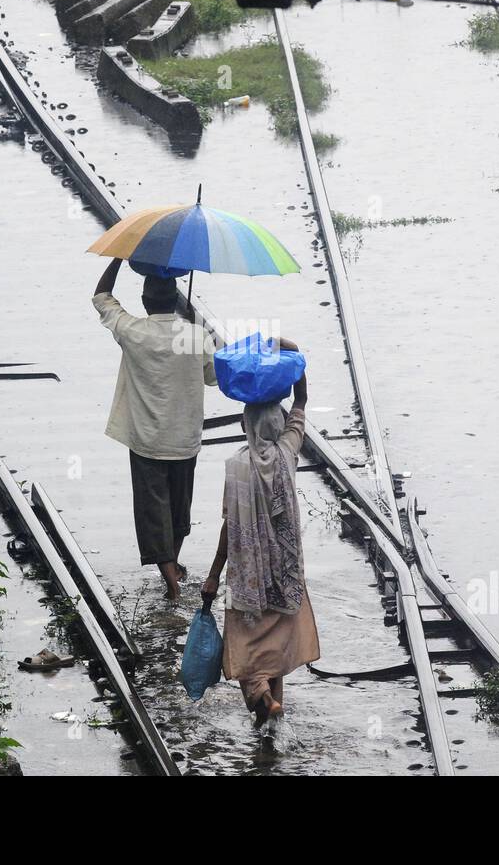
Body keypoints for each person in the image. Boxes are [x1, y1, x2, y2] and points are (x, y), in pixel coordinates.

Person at [201, 342, 319, 728]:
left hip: (248, 579)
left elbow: (227, 526)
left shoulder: (236, 466)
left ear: (246, 426)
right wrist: (289, 350)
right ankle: (272, 718)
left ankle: (262, 699)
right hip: (284, 578)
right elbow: (301, 400)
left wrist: (215, 574)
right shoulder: (288, 452)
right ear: (278, 424)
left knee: (247, 655)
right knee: (276, 650)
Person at [93, 258, 217, 602]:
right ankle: (173, 566)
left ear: (146, 302)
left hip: (147, 441)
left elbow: (102, 297)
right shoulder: (196, 335)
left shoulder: (133, 332)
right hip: (185, 441)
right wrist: (196, 329)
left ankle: (172, 582)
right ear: (175, 299)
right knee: (179, 511)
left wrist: (117, 258)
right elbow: (212, 377)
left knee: (152, 513)